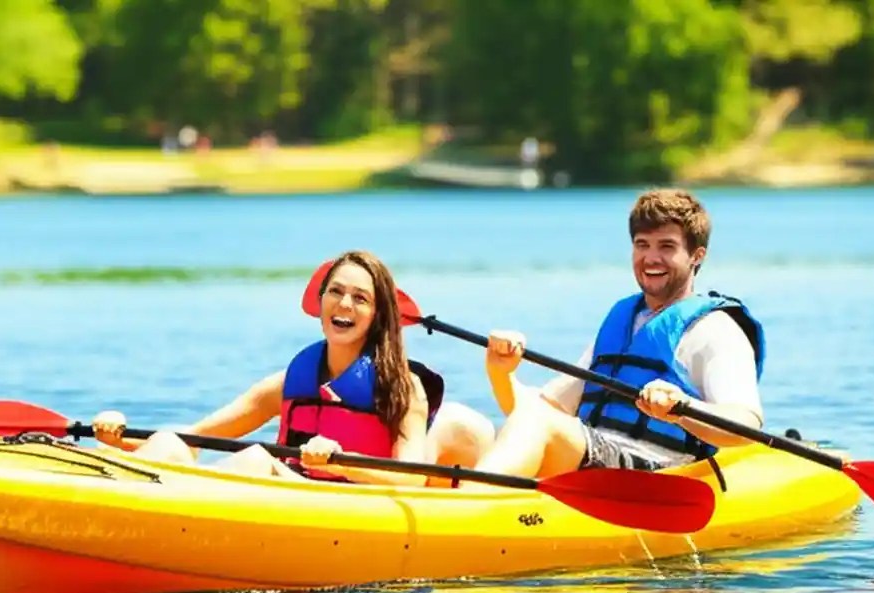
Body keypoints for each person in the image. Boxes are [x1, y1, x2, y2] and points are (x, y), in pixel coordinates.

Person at [92, 250, 495, 486]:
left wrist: (343, 460)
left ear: (377, 315)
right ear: (320, 303)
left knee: (254, 459)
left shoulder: (403, 389)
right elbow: (197, 436)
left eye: (360, 298)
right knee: (167, 444)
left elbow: (410, 479)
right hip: (288, 497)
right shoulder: (290, 382)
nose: (344, 305)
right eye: (336, 292)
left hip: (348, 513)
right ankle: (109, 489)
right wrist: (119, 439)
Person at [476, 188, 765, 479]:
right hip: (596, 457)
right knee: (461, 424)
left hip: (658, 473)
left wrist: (682, 408)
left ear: (696, 256)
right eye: (642, 245)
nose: (651, 258)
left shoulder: (716, 329)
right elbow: (540, 410)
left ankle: (473, 506)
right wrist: (502, 374)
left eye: (666, 246)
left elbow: (747, 424)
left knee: (538, 421)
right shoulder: (623, 321)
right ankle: (446, 503)